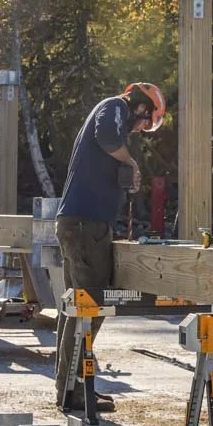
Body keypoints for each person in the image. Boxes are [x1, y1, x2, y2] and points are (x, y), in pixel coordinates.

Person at [54, 82, 166, 301]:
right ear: (141, 107)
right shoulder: (115, 106)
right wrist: (131, 164)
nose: (139, 129)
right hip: (86, 225)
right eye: (145, 122)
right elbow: (106, 136)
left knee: (78, 305)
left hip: (81, 224)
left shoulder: (118, 128)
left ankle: (70, 338)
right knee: (93, 304)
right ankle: (77, 337)